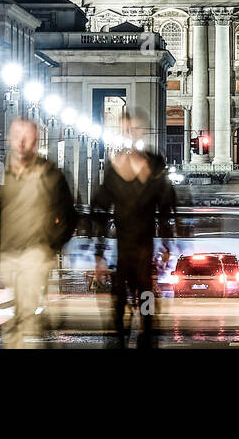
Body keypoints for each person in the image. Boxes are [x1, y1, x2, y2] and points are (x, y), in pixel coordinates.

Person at [0, 117, 79, 349]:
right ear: (9, 138)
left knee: (25, 310)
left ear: (36, 140)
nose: (21, 142)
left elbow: (69, 214)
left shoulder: (51, 173)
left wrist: (51, 246)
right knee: (12, 317)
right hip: (6, 254)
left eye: (27, 137)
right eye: (17, 136)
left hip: (36, 253)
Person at [90, 109, 177, 348]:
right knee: (117, 307)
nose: (130, 134)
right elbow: (99, 211)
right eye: (126, 129)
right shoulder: (113, 169)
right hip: (122, 251)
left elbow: (167, 207)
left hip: (146, 253)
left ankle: (146, 333)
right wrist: (98, 255)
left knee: (147, 303)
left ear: (143, 132)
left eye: (135, 129)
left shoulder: (155, 165)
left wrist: (168, 246)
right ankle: (120, 337)